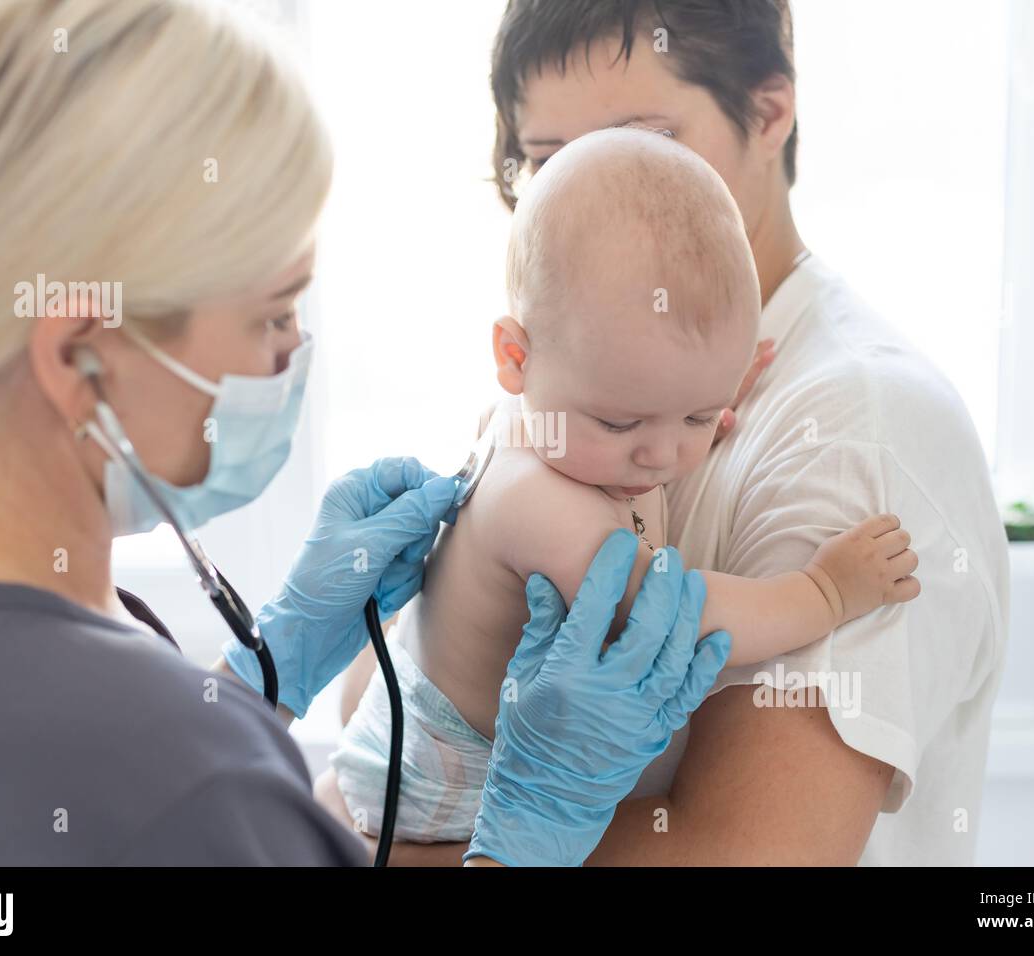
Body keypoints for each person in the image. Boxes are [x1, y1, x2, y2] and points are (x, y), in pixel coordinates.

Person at [0, 0, 730, 867]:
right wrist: (531, 831)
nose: (294, 351)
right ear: (81, 357)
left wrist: (260, 680)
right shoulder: (185, 787)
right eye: (274, 313)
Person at [317, 127, 921, 847]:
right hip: (435, 784)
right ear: (515, 358)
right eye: (622, 418)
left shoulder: (575, 417)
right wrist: (824, 592)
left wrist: (687, 400)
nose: (664, 455)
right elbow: (674, 615)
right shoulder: (538, 500)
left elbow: (653, 417)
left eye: (698, 414)